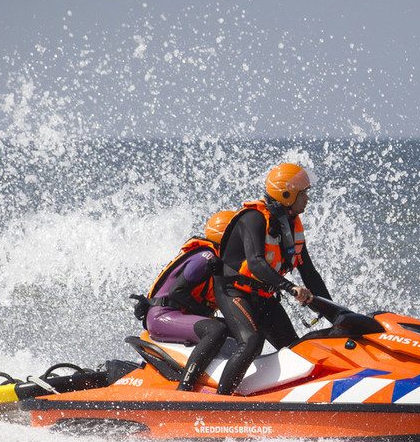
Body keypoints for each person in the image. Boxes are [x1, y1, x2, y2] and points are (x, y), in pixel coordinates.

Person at [212, 162, 332, 395]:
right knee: (252, 343)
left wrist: (335, 313)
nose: (307, 198)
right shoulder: (254, 219)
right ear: (287, 195)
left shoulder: (290, 225)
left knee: (295, 350)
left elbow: (309, 272)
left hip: (263, 296)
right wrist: (290, 287)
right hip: (233, 292)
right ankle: (220, 403)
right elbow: (256, 263)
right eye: (303, 193)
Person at [142, 210, 237, 391]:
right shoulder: (206, 257)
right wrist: (205, 313)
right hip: (162, 315)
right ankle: (185, 387)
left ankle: (221, 384)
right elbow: (178, 291)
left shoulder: (220, 261)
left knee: (241, 331)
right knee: (215, 330)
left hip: (180, 314)